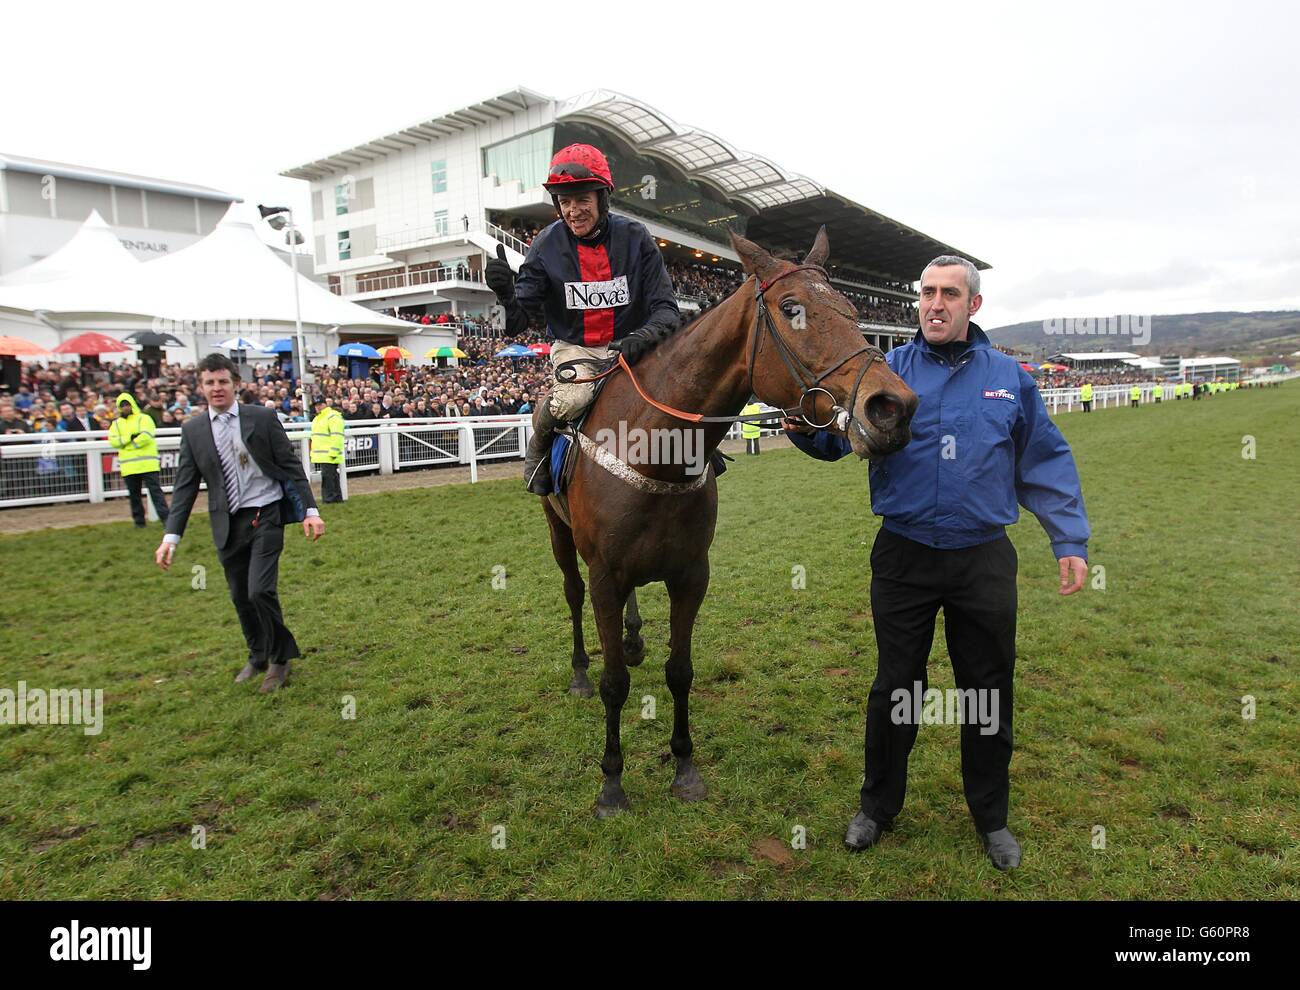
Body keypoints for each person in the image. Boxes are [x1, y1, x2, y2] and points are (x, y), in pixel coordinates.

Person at [785, 255, 1090, 871]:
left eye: (949, 293)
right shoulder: (885, 371)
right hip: (903, 555)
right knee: (896, 688)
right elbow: (832, 435)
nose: (934, 304)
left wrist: (1070, 541)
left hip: (982, 560)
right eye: (926, 293)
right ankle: (878, 807)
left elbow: (1045, 461)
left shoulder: (1010, 379)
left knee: (987, 691)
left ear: (973, 305)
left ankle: (990, 817)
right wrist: (803, 425)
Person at [484, 142, 681, 493]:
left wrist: (644, 336)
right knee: (573, 400)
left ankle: (699, 458)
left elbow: (667, 310)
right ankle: (539, 452)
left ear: (603, 198)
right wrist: (503, 295)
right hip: (578, 349)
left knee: (681, 390)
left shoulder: (637, 239)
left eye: (582, 200)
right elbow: (515, 323)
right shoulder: (545, 246)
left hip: (634, 347)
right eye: (565, 202)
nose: (573, 211)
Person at [154, 354, 325, 693]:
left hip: (266, 513)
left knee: (259, 589)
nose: (216, 388)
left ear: (235, 384)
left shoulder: (261, 418)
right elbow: (186, 486)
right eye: (209, 382)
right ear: (201, 387)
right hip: (227, 520)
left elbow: (290, 466)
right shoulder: (194, 430)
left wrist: (310, 511)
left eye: (222, 382)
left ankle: (280, 658)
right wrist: (170, 537)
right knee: (239, 596)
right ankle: (258, 654)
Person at [108, 392, 169, 528]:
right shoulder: (116, 424)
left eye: (127, 404)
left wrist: (128, 444)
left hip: (147, 464)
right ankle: (139, 522)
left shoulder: (144, 418)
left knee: (156, 494)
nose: (125, 407)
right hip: (129, 466)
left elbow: (147, 435)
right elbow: (113, 441)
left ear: (132, 404)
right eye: (122, 405)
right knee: (134, 495)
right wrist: (130, 439)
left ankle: (166, 519)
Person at [309, 397, 346, 503]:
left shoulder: (332, 416)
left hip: (329, 453)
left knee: (328, 477)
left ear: (325, 404)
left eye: (320, 405)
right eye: (316, 405)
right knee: (331, 476)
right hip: (323, 453)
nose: (317, 407)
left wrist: (334, 451)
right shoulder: (319, 418)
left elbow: (337, 435)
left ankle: (329, 499)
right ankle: (336, 498)